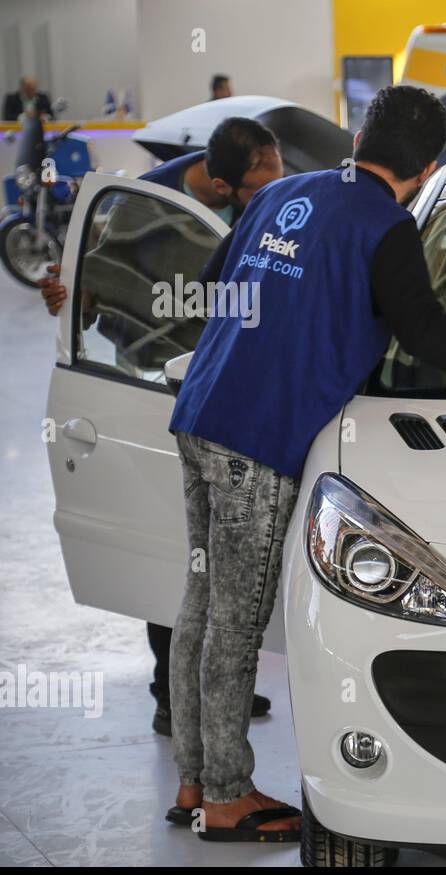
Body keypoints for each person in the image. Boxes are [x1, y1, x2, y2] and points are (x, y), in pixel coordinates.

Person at [164, 84, 446, 840]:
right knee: (236, 622)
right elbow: (428, 331)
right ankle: (227, 796)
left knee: (201, 605)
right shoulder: (386, 227)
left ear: (360, 136)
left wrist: (289, 318)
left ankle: (192, 779)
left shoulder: (283, 195)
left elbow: (213, 289)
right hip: (257, 440)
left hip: (200, 414)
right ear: (430, 162)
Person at [38, 117, 285, 736]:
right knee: (175, 552)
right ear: (223, 184)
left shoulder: (249, 200)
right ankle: (171, 695)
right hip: (155, 388)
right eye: (259, 187)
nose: (271, 195)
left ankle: (219, 684)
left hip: (225, 389)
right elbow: (97, 279)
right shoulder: (145, 206)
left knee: (223, 548)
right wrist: (66, 292)